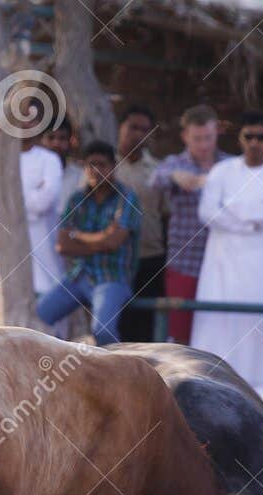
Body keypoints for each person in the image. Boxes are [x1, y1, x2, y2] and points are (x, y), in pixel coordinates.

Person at [191, 113, 263, 394]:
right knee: (217, 329)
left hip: (261, 271)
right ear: (240, 138)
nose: (255, 143)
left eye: (261, 137)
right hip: (219, 269)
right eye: (249, 137)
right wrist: (249, 221)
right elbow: (207, 212)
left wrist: (230, 210)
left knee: (258, 330)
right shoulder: (221, 172)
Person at [40, 141, 141, 344]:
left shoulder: (127, 197)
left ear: (113, 167)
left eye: (101, 165)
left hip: (111, 277)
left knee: (103, 331)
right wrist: (100, 238)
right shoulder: (76, 199)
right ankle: (54, 365)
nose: (95, 170)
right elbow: (62, 245)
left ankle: (114, 373)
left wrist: (77, 235)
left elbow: (114, 243)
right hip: (80, 275)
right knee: (40, 314)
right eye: (90, 165)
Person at [0, 98, 64, 303]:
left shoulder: (49, 160)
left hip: (40, 257)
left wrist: (3, 204)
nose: (24, 123)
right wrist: (27, 200)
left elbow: (44, 203)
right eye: (19, 117)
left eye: (31, 118)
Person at [153, 105, 226, 344]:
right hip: (185, 264)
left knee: (218, 332)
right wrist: (175, 177)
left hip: (224, 265)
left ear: (217, 133)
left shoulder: (230, 166)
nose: (204, 145)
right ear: (185, 136)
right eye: (197, 139)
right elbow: (154, 179)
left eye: (208, 137)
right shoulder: (174, 163)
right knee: (180, 335)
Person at [114, 104, 164, 342]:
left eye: (145, 130)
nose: (138, 134)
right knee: (113, 326)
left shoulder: (158, 171)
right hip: (113, 260)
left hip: (149, 257)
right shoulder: (104, 167)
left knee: (144, 329)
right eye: (133, 127)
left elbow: (166, 215)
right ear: (120, 127)